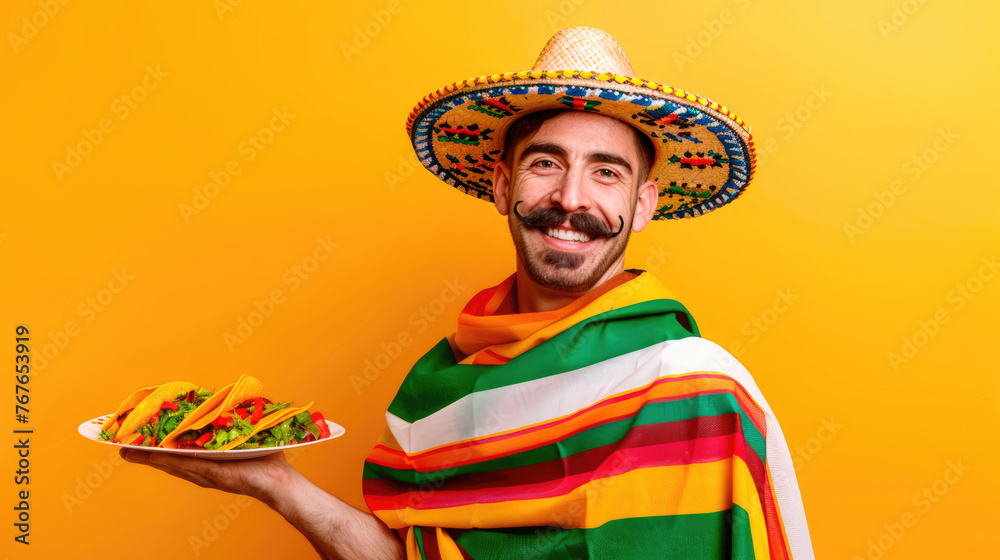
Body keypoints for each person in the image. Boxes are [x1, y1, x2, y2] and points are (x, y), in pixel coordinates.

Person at [122, 27, 813, 559]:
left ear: (643, 204)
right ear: (504, 186)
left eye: (607, 173)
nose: (571, 199)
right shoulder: (440, 392)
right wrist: (276, 484)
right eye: (547, 164)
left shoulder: (695, 389)